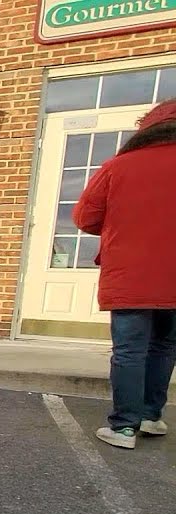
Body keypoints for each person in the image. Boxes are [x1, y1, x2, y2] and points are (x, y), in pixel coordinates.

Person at [72, 99, 176, 450]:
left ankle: (124, 427)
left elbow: (85, 217)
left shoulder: (119, 166)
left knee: (130, 350)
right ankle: (151, 415)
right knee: (164, 345)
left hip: (131, 274)